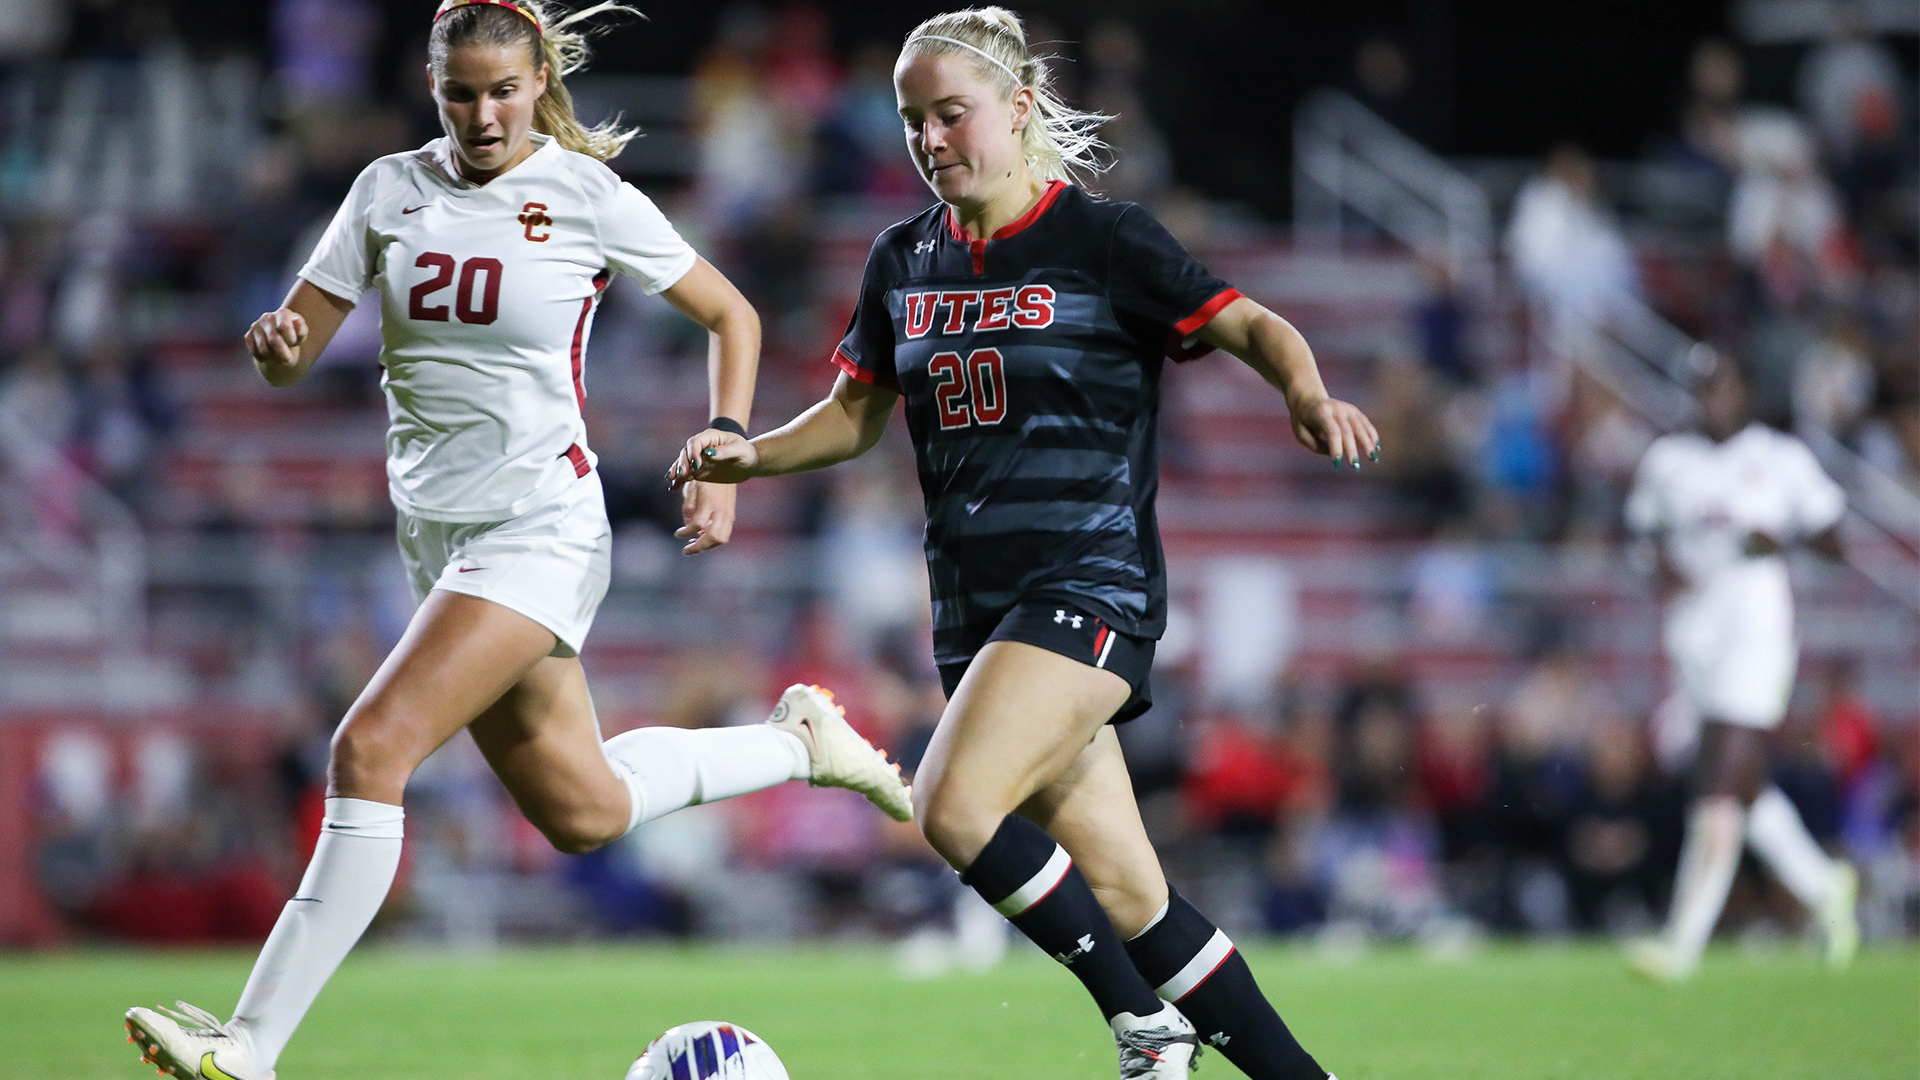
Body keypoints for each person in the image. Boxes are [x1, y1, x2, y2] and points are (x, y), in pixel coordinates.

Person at [123, 4, 911, 1078]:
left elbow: (733, 314)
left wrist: (727, 439)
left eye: (503, 90)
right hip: (439, 541)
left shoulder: (583, 194)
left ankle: (249, 1043)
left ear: (540, 79)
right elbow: (295, 352)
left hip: (541, 523)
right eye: (461, 93)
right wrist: (277, 344)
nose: (483, 114)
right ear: (432, 87)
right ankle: (798, 745)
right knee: (582, 808)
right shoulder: (388, 189)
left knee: (370, 747)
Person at [673, 9, 1372, 1078]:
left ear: (1019, 108)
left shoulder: (1105, 239)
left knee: (953, 805)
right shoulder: (901, 256)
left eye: (952, 114)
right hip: (977, 615)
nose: (931, 139)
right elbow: (858, 412)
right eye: (913, 121)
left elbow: (1253, 324)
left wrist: (1306, 390)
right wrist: (750, 458)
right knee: (1135, 894)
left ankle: (1144, 1030)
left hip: (1089, 588)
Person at [1623, 348, 1860, 981]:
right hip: (1693, 634)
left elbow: (1836, 540)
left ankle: (1682, 943)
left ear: (1745, 390)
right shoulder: (1667, 462)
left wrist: (1781, 537)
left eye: (1723, 387)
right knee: (1741, 785)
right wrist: (1663, 567)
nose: (1713, 401)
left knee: (1719, 782)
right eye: (1703, 389)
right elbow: (1643, 542)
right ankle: (1823, 885)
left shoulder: (1780, 458)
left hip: (1756, 628)